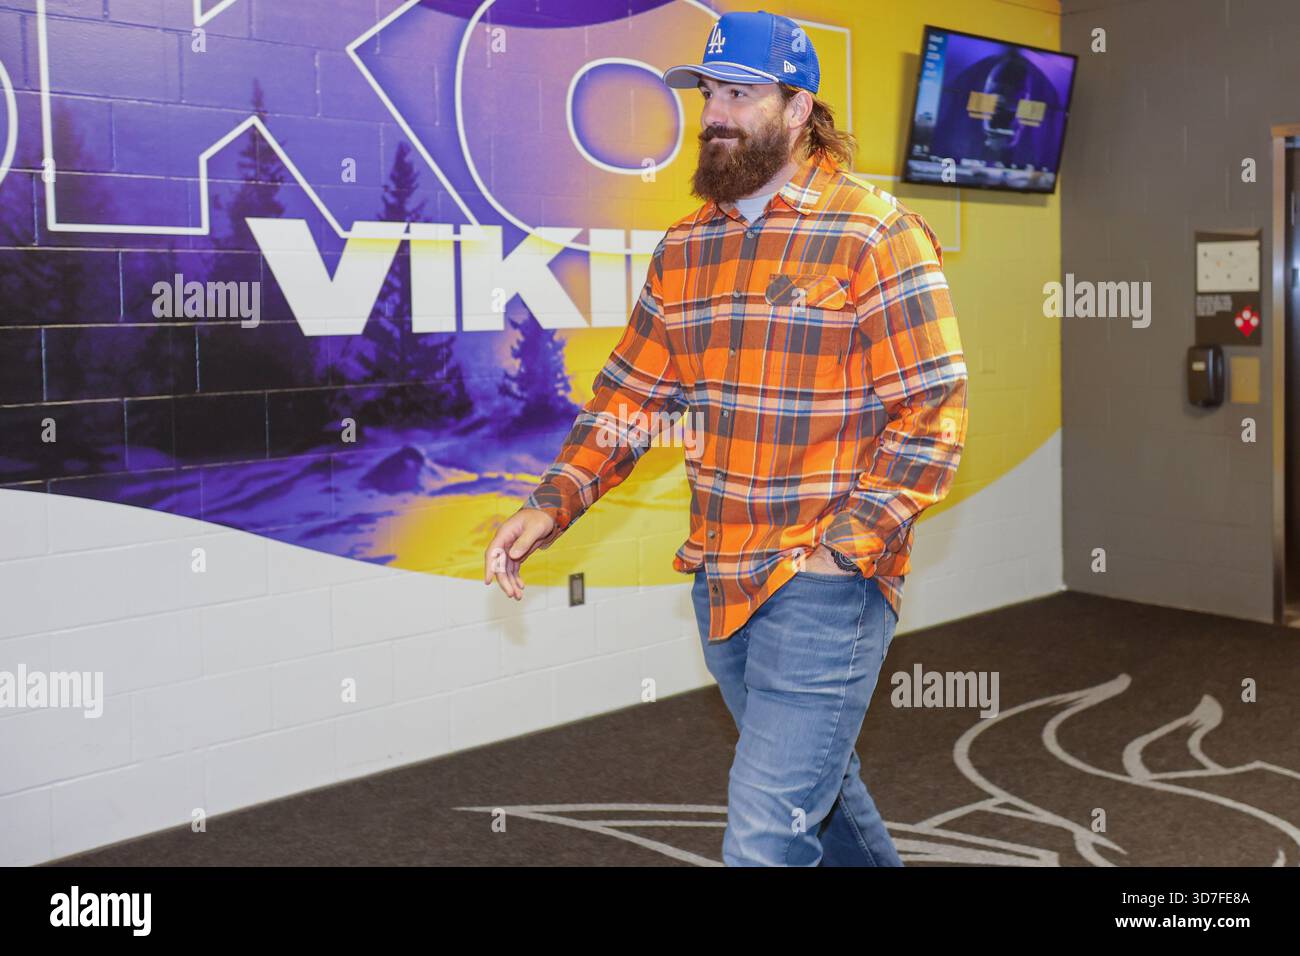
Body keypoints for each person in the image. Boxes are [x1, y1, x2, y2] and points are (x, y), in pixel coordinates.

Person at [483, 9, 969, 866]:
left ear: (797, 105)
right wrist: (548, 505)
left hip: (826, 583)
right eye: (708, 91)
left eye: (741, 93)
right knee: (822, 796)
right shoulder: (685, 249)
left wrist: (843, 553)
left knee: (762, 836)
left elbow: (933, 414)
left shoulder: (873, 233)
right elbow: (627, 400)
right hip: (720, 578)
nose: (715, 113)